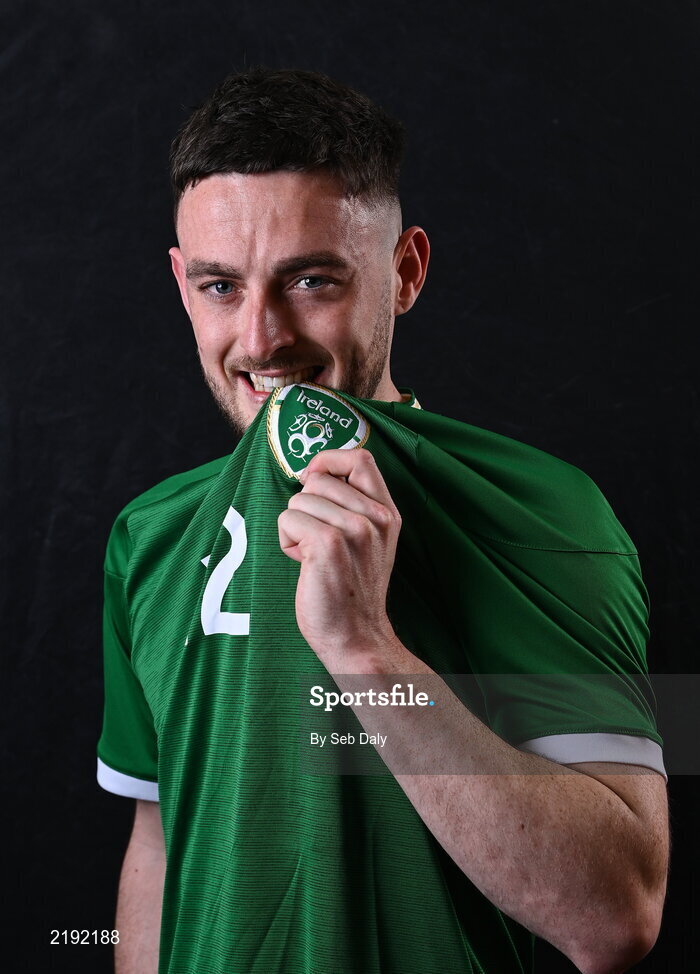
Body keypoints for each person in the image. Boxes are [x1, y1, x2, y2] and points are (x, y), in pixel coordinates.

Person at [97, 67, 669, 974]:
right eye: (219, 287)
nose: (260, 337)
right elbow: (163, 843)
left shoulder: (544, 509)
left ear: (403, 273)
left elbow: (617, 914)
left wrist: (368, 653)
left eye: (310, 280)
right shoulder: (151, 534)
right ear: (179, 283)